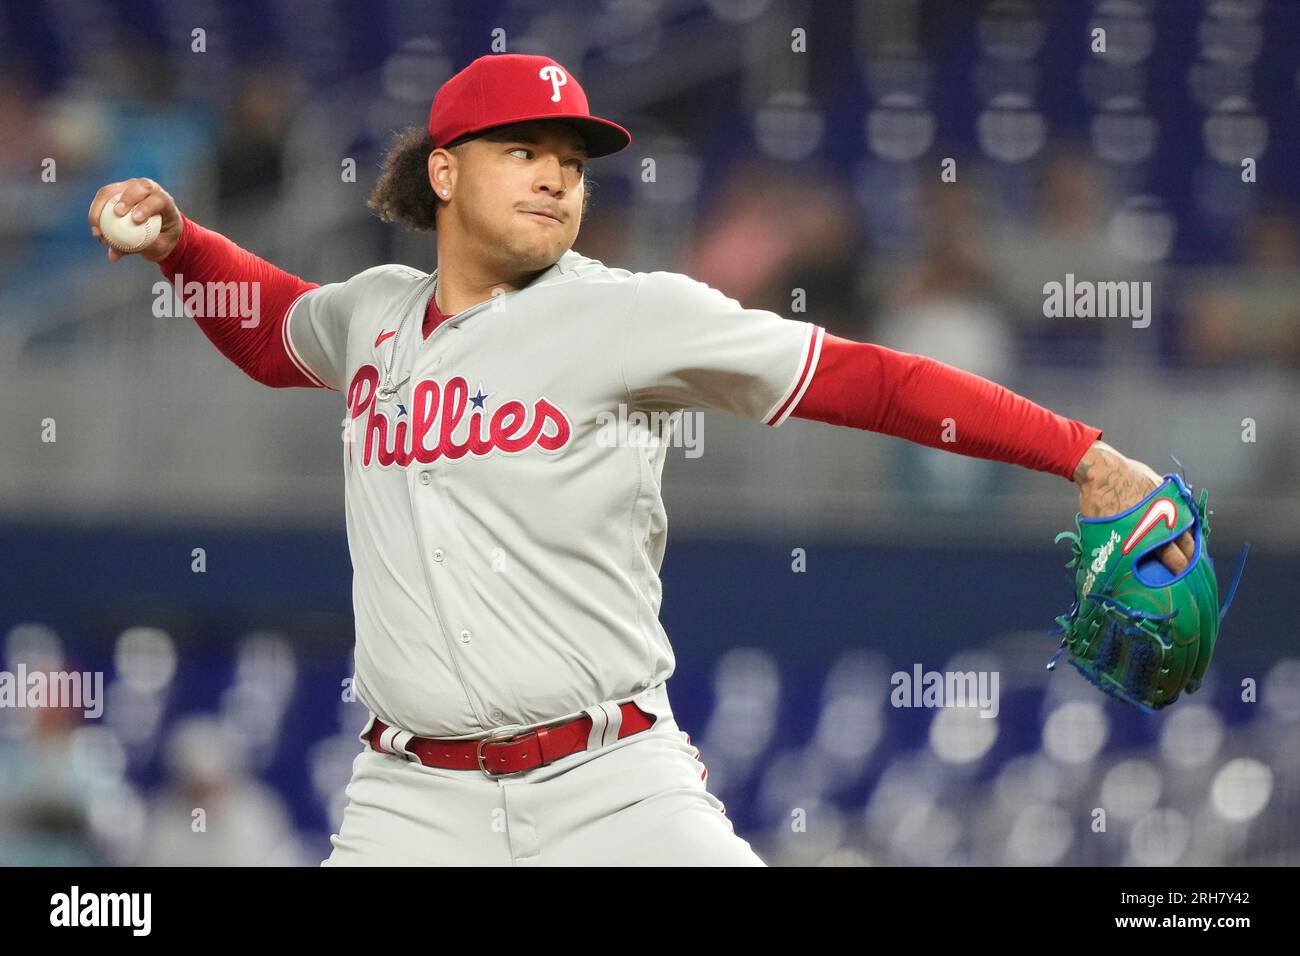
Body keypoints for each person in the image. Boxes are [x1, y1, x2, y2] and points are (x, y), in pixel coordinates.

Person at [87, 53, 1193, 866]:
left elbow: (871, 378)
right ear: (442, 173)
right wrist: (186, 247)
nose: (557, 177)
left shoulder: (637, 316)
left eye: (571, 160)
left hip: (611, 786)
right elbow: (274, 328)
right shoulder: (371, 314)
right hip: (406, 802)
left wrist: (1079, 453)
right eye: (523, 150)